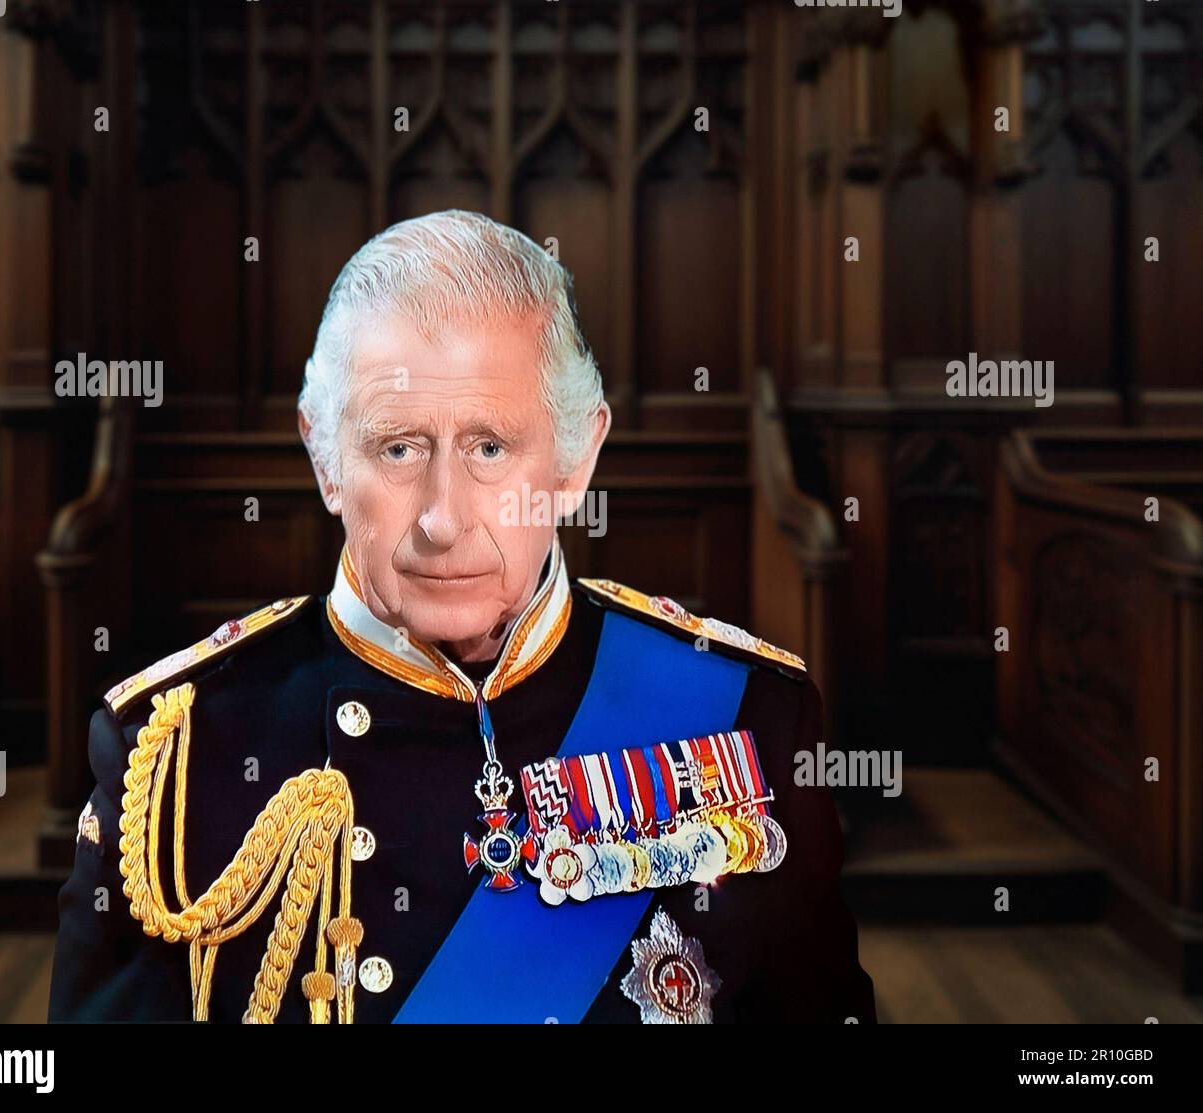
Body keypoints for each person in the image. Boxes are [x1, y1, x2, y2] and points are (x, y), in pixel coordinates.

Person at [48, 210, 875, 1024]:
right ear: (325, 459)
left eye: (490, 448)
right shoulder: (178, 758)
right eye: (398, 447)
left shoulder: (745, 713)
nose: (443, 517)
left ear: (576, 458)